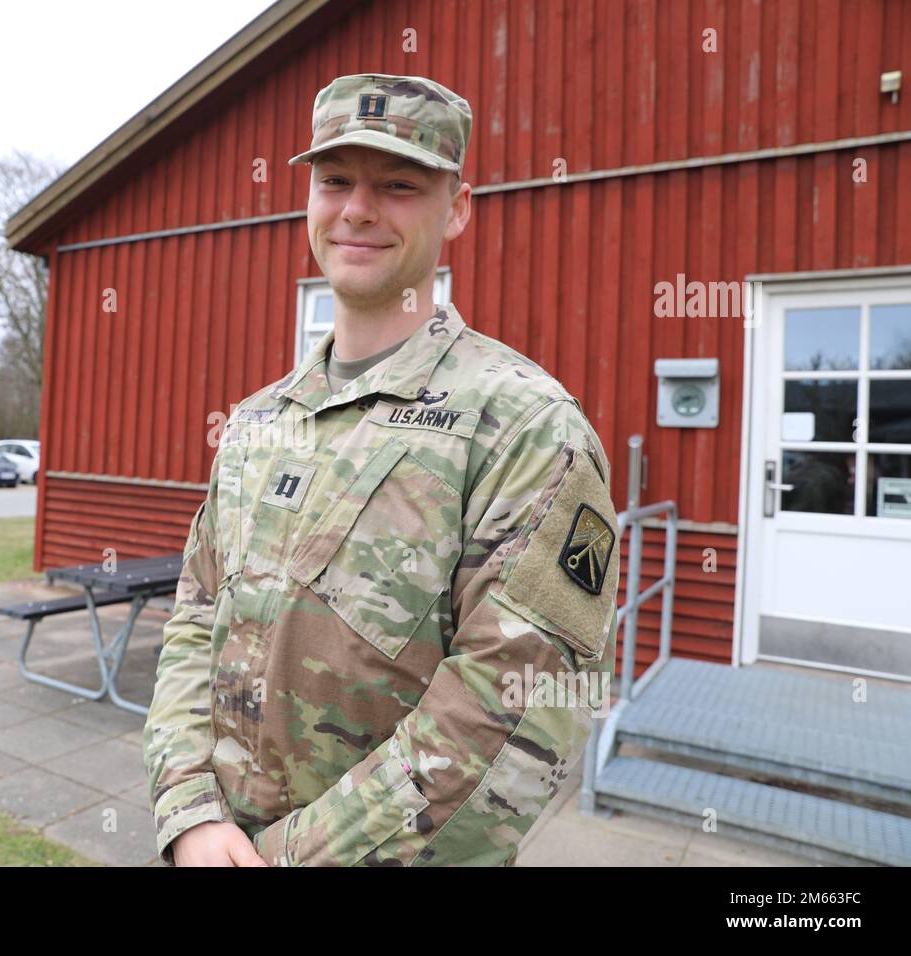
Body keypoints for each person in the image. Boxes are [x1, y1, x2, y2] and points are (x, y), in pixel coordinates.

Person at [143, 73, 620, 867]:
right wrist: (189, 812)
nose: (357, 210)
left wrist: (288, 859)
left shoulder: (524, 425)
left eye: (398, 185)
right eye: (335, 181)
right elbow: (193, 623)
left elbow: (511, 711)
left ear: (457, 208)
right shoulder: (260, 420)